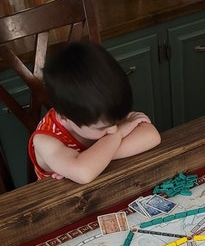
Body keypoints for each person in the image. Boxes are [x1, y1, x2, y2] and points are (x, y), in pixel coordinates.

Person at [29, 41, 161, 184]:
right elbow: (84, 173)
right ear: (64, 117)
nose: (113, 129)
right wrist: (118, 135)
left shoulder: (105, 110)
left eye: (117, 122)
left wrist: (92, 161)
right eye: (102, 128)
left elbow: (151, 136)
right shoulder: (45, 141)